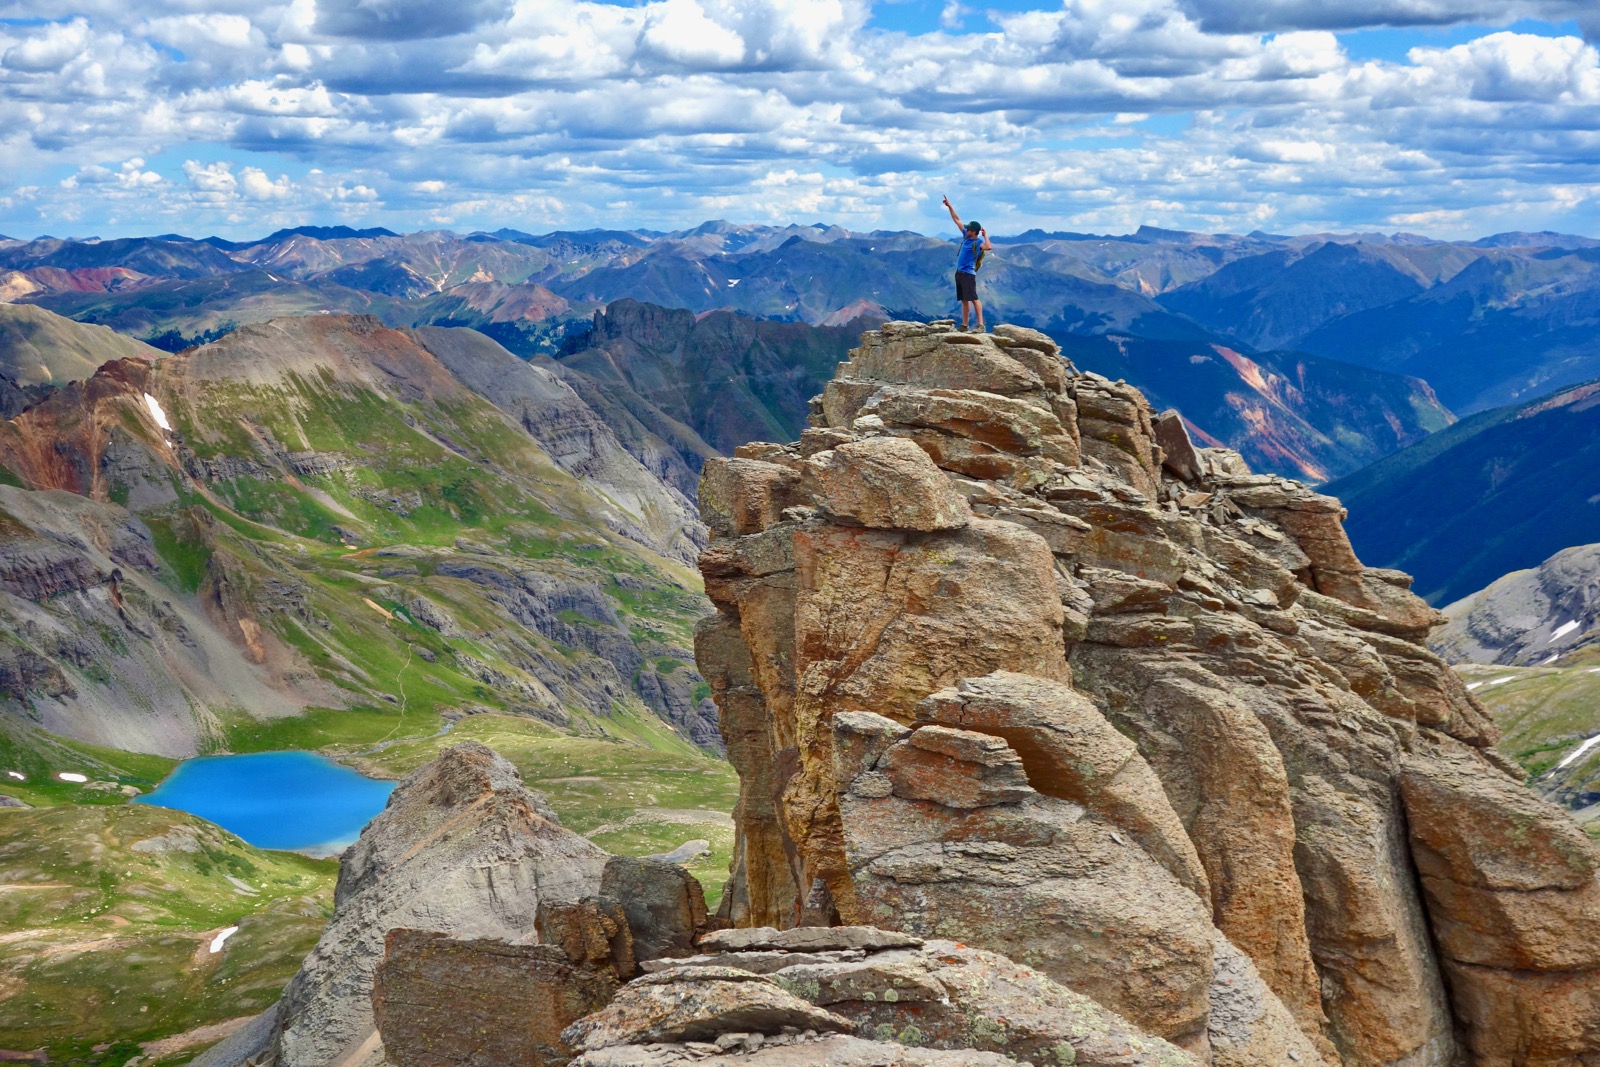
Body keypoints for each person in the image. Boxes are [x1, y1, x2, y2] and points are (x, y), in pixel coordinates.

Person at [943, 194, 992, 331]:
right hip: (959, 273)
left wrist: (985, 235)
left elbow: (988, 247)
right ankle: (965, 325)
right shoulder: (966, 236)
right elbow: (956, 219)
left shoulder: (978, 242)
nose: (966, 230)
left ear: (975, 232)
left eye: (969, 229)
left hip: (968, 274)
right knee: (964, 300)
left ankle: (980, 325)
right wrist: (949, 206)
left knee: (974, 298)